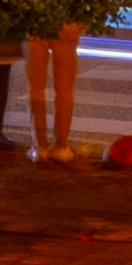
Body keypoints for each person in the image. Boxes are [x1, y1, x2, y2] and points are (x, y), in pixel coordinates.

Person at [31, 23, 84, 162]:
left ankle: (40, 145)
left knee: (36, 88)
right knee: (65, 88)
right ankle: (61, 145)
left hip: (34, 22)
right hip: (67, 24)